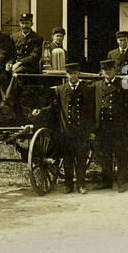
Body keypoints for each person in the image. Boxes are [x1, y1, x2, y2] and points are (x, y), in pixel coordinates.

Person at [95, 58, 128, 191]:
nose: (107, 72)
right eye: (105, 70)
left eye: (110, 70)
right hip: (103, 128)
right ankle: (107, 181)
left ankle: (121, 182)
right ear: (102, 72)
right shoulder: (97, 85)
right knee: (105, 155)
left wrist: (123, 119)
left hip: (118, 128)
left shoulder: (123, 84)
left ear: (115, 70)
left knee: (120, 155)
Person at [55, 62, 93, 194]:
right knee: (67, 159)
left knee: (81, 159)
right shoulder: (60, 90)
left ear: (79, 74)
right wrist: (40, 111)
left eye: (75, 73)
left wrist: (91, 130)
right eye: (70, 73)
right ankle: (68, 185)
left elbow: (91, 111)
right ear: (66, 75)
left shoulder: (86, 90)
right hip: (67, 131)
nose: (73, 76)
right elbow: (54, 108)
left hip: (82, 131)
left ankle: (81, 185)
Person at [1, 12, 44, 111]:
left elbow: (34, 56)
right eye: (22, 23)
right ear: (19, 24)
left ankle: (7, 101)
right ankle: (4, 98)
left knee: (17, 73)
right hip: (15, 65)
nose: (24, 26)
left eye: (27, 23)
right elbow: (10, 53)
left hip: (29, 67)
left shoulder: (37, 38)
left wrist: (19, 62)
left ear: (31, 24)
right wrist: (9, 63)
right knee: (2, 75)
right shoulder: (14, 37)